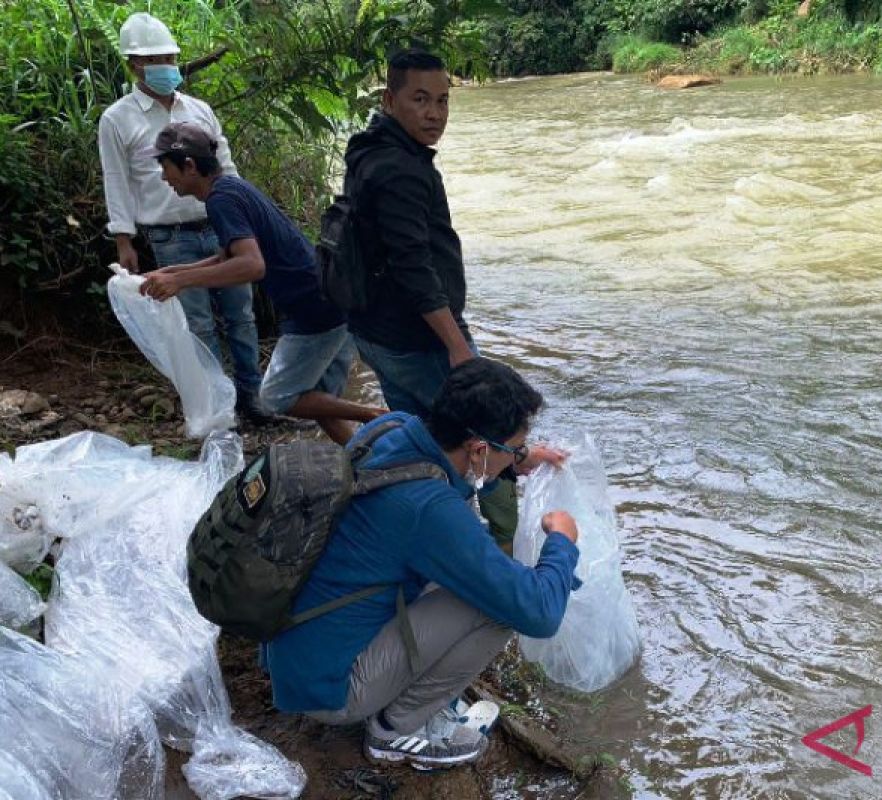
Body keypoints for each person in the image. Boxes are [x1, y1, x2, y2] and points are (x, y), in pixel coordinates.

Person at [262, 358, 579, 769]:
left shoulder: (391, 428)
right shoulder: (428, 510)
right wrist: (562, 542)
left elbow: (459, 477)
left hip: (294, 647)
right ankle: (395, 730)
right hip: (329, 689)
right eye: (514, 447)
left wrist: (516, 462)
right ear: (479, 449)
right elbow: (538, 613)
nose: (519, 454)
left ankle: (400, 696)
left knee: (476, 572)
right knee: (499, 608)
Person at [342, 48, 521, 547]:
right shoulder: (401, 170)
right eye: (420, 99)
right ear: (390, 99)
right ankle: (505, 548)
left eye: (443, 101)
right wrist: (458, 348)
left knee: (425, 435)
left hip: (376, 330)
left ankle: (437, 529)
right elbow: (413, 267)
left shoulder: (367, 150)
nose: (434, 114)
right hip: (417, 336)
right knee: (491, 432)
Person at [139, 122, 385, 445]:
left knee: (274, 397)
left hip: (314, 308)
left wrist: (180, 280)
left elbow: (252, 265)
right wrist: (171, 274)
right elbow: (226, 257)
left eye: (165, 167)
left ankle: (376, 416)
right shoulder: (231, 188)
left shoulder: (220, 200)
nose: (163, 177)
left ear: (188, 166)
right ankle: (364, 457)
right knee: (318, 398)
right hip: (332, 297)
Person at [98, 12, 270, 425]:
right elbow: (116, 181)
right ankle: (219, 408)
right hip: (168, 235)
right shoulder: (117, 119)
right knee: (197, 327)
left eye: (170, 56)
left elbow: (226, 166)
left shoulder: (198, 110)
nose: (167, 65)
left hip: (222, 227)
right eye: (156, 58)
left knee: (241, 316)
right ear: (134, 65)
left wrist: (245, 217)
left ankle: (254, 399)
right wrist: (124, 240)